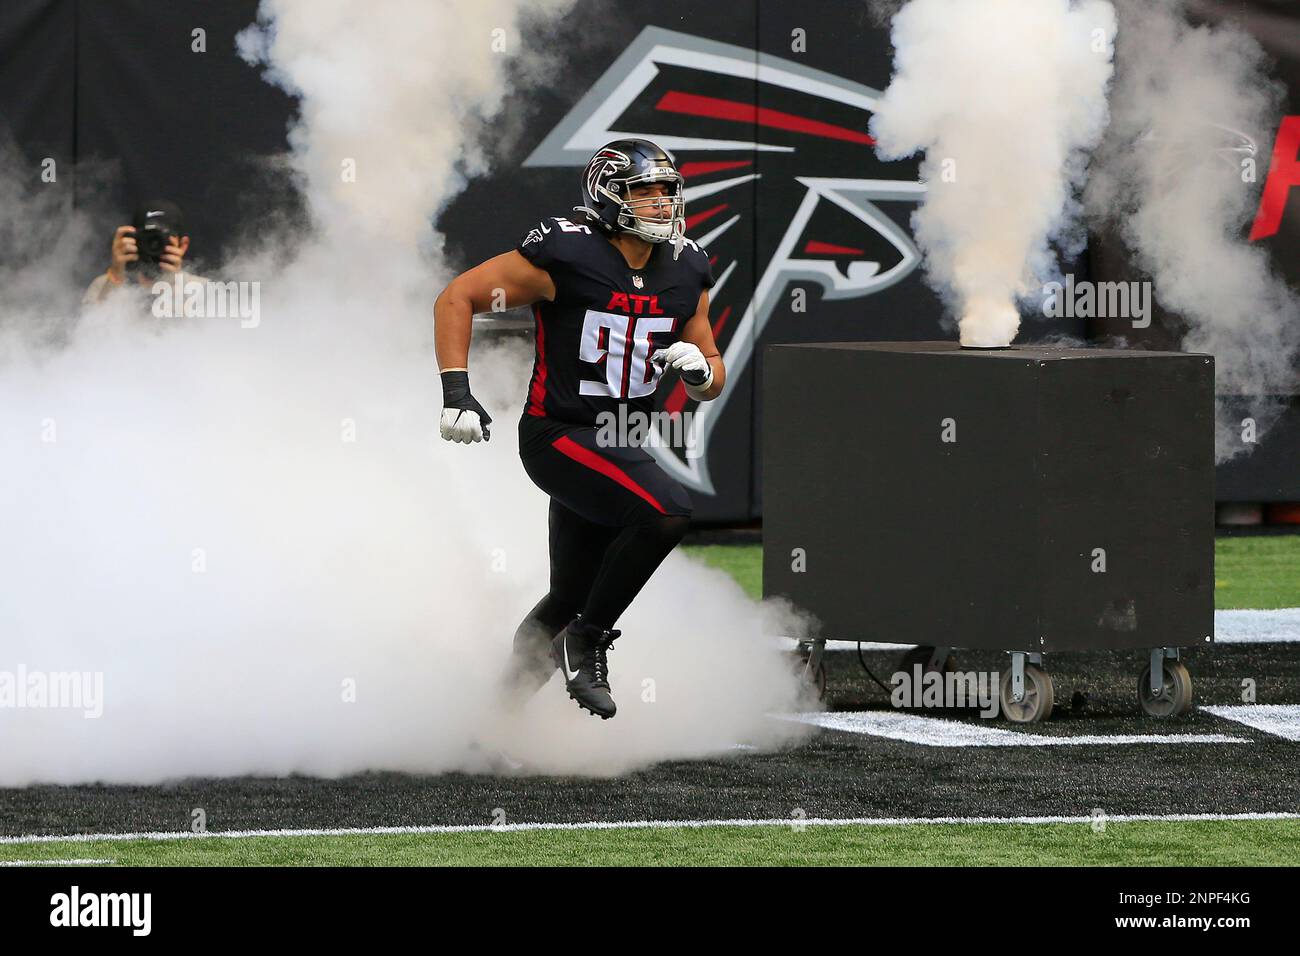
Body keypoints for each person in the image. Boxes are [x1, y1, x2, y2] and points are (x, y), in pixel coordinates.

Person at [433, 139, 725, 720]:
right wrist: (457, 392)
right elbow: (456, 297)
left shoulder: (688, 266)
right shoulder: (568, 252)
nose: (662, 202)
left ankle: (495, 722)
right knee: (666, 510)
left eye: (668, 190)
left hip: (620, 439)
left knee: (566, 595)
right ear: (609, 193)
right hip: (559, 435)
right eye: (646, 190)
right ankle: (588, 639)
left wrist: (700, 373)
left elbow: (712, 371)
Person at [83, 200, 206, 306]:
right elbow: (93, 329)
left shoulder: (202, 289)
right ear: (132, 238)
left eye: (162, 238)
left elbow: (198, 331)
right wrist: (115, 276)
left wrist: (175, 283)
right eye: (147, 237)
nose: (154, 244)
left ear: (183, 245)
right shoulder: (102, 285)